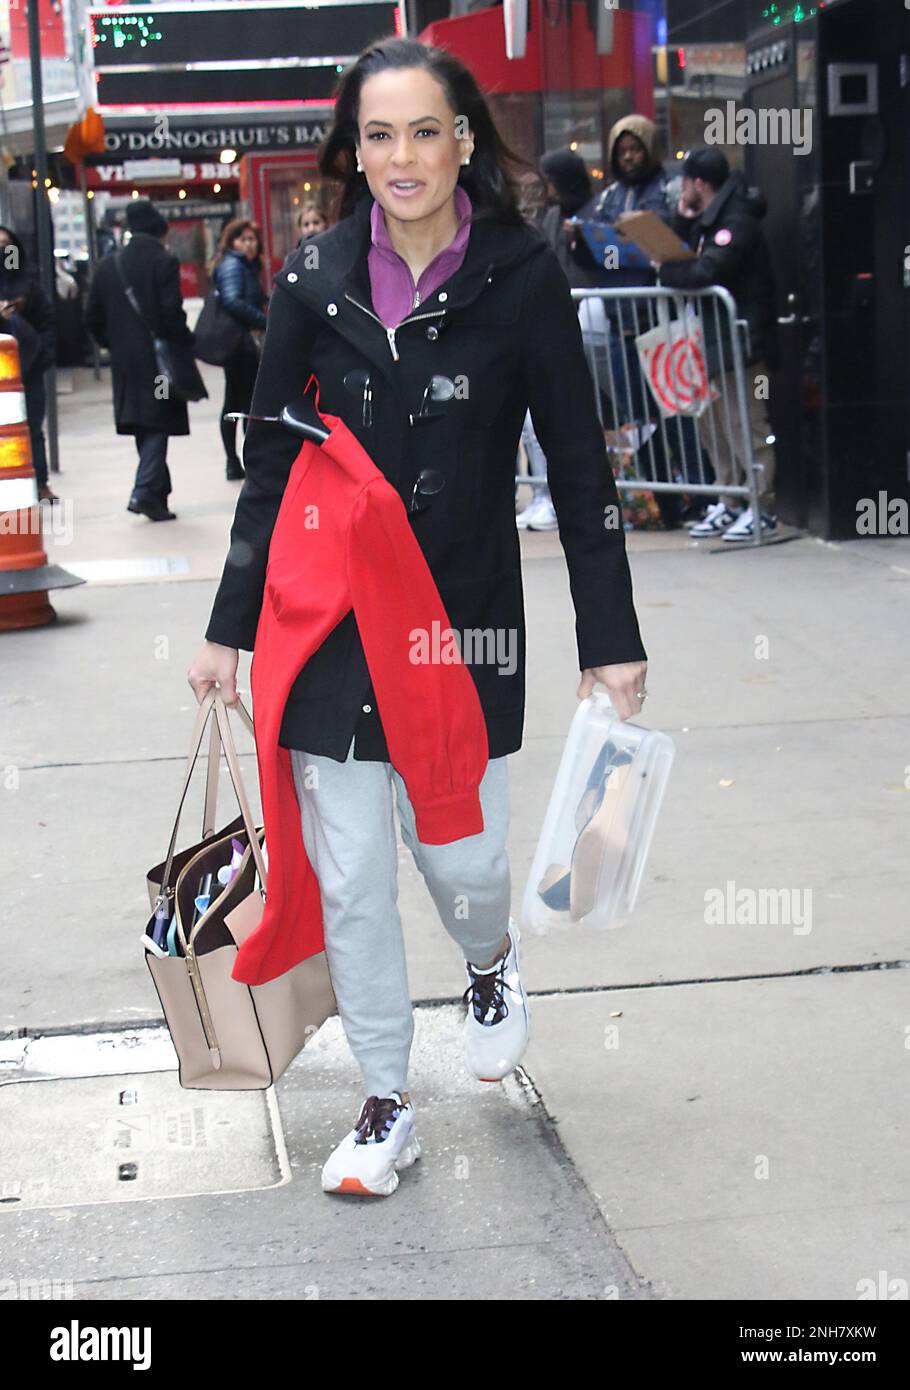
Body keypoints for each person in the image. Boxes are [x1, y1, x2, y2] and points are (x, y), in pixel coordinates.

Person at [187, 36, 649, 1198]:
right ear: (354, 148)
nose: (402, 157)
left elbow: (581, 471)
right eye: (378, 133)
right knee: (350, 881)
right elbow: (264, 467)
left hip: (455, 629)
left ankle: (487, 960)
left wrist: (612, 641)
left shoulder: (520, 275)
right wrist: (225, 625)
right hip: (327, 623)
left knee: (463, 867)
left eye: (425, 131)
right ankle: (386, 1100)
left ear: (463, 143)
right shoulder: (309, 279)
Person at [566, 115, 686, 530]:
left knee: (676, 414)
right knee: (639, 417)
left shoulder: (667, 191)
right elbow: (596, 258)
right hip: (621, 323)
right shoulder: (609, 197)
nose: (629, 157)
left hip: (660, 320)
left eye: (636, 149)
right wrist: (580, 242)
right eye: (623, 151)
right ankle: (656, 502)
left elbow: (676, 241)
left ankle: (693, 494)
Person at [656, 147, 779, 541]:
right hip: (710, 342)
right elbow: (686, 252)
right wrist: (683, 219)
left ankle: (762, 505)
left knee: (746, 424)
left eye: (685, 184)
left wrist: (668, 271)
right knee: (714, 426)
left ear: (699, 183)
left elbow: (709, 268)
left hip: (740, 342)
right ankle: (729, 500)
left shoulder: (736, 219)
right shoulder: (710, 219)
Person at [84, 199, 193, 521]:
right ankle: (144, 491)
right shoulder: (164, 261)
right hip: (158, 365)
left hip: (126, 363)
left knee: (144, 423)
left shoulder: (108, 265)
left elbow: (91, 318)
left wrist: (113, 344)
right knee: (157, 421)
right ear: (159, 231)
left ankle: (157, 495)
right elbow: (171, 314)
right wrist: (184, 341)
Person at [516, 150, 596, 533]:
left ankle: (562, 500)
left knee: (567, 419)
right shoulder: (548, 217)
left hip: (582, 322)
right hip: (550, 322)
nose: (545, 188)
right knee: (532, 422)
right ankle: (544, 495)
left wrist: (584, 239)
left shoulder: (592, 213)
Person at [0, 226, 57, 503]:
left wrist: (42, 353)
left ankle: (40, 482)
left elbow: (47, 321)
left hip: (29, 367)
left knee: (33, 427)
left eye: (7, 246)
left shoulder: (29, 284)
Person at [208, 219, 268, 480]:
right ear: (232, 242)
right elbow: (233, 302)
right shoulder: (234, 265)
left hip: (239, 343)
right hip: (239, 344)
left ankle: (237, 461)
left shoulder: (244, 266)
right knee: (240, 403)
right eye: (243, 239)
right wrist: (265, 321)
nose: (249, 244)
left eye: (253, 239)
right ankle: (237, 461)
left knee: (238, 401)